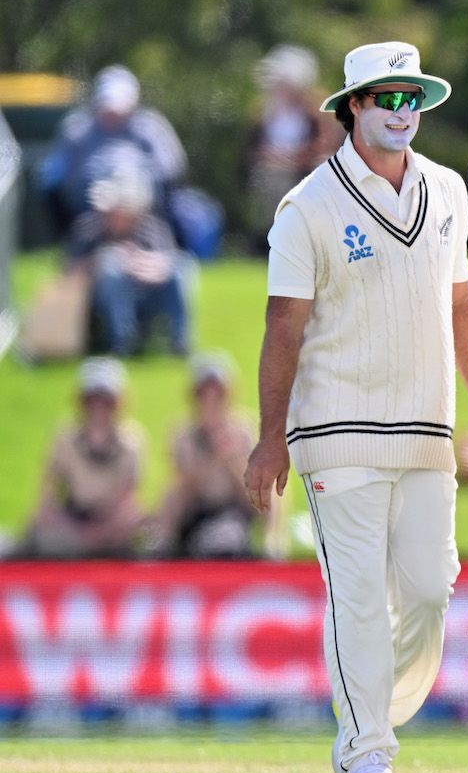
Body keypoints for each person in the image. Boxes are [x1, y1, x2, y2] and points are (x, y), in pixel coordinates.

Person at [243, 41, 468, 773]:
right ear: (353, 106)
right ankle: (365, 750)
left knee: (429, 590)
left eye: (412, 98)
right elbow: (284, 324)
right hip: (335, 425)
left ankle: (373, 704)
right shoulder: (308, 205)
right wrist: (270, 436)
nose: (401, 111)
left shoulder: (447, 189)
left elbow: (462, 303)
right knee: (356, 594)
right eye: (386, 98)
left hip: (427, 425)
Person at [153, 354, 279, 559]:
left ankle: (271, 543)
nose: (210, 400)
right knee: (170, 493)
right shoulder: (183, 434)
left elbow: (253, 492)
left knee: (268, 487)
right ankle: (163, 546)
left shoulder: (244, 431)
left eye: (217, 393)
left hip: (232, 511)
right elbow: (182, 489)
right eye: (204, 394)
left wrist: (232, 460)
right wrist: (213, 458)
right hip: (195, 511)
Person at [19, 358, 146, 559]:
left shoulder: (131, 441)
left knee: (137, 527)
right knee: (40, 531)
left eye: (106, 400)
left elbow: (129, 500)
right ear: (81, 401)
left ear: (119, 402)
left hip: (112, 525)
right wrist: (72, 529)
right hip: (73, 522)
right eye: (92, 399)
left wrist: (100, 532)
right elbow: (48, 493)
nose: (99, 407)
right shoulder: (65, 438)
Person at [40, 64, 187, 235]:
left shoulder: (150, 127)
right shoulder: (77, 129)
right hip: (89, 210)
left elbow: (171, 171)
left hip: (144, 210)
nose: (113, 114)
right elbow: (55, 174)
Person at [66, 164, 191, 356]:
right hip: (97, 299)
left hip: (148, 292)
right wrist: (103, 261)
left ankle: (180, 342)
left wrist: (140, 264)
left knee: (181, 266)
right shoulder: (89, 228)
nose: (115, 216)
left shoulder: (152, 228)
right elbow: (69, 271)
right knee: (112, 267)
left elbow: (167, 262)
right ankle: (122, 342)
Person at [242, 44, 338, 247]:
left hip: (306, 166)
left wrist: (294, 157)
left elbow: (325, 145)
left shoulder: (315, 111)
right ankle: (269, 236)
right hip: (273, 169)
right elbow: (252, 148)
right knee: (267, 178)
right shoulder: (264, 112)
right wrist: (270, 156)